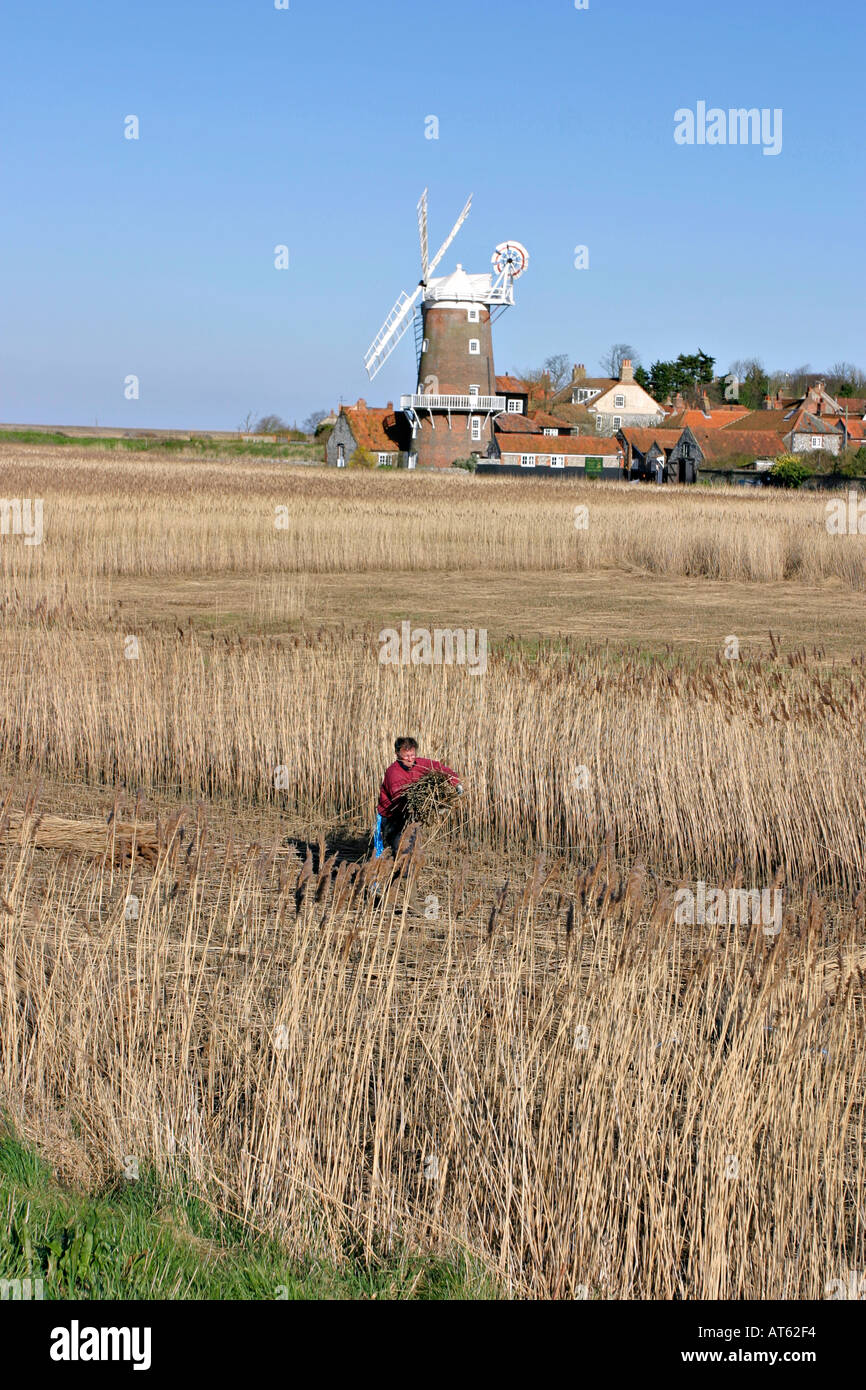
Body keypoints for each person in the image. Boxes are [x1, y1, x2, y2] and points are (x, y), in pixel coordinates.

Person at [375, 737, 462, 856]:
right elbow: (400, 800)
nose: (410, 759)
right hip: (393, 816)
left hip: (412, 817)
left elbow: (439, 768)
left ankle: (407, 872)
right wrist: (430, 808)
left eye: (412, 755)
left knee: (413, 848)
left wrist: (455, 782)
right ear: (397, 754)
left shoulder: (421, 764)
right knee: (400, 849)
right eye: (406, 756)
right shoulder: (393, 772)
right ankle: (399, 873)